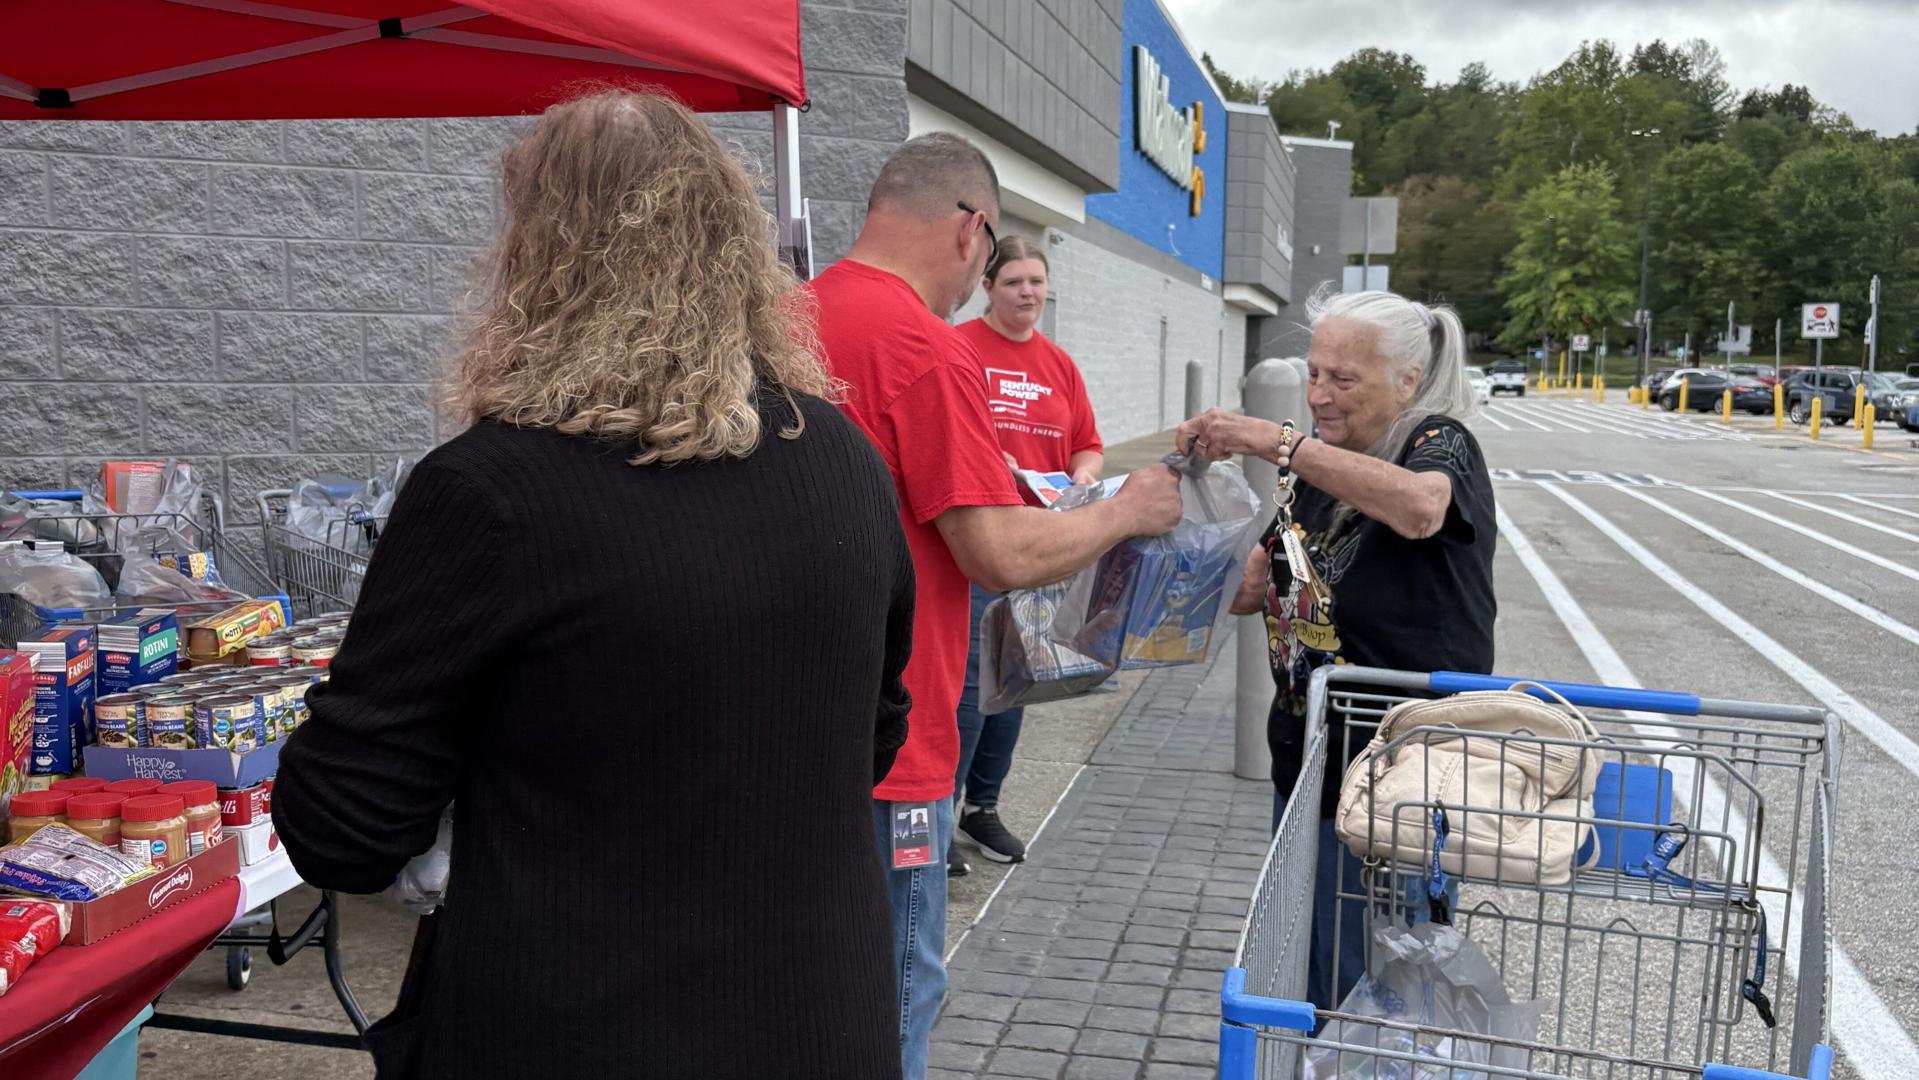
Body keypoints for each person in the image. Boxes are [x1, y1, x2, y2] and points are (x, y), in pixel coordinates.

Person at [274, 90, 915, 1080]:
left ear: (539, 254)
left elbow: (343, 828)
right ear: (730, 245)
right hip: (819, 1026)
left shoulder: (488, 492)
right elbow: (871, 732)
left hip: (572, 1030)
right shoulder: (842, 459)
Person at [810, 132, 1182, 1080]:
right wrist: (1128, 508)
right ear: (973, 230)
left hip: (786, 722)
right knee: (895, 990)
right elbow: (999, 553)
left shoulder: (787, 314)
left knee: (800, 982)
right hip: (893, 736)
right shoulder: (922, 349)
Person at [1179, 287, 1494, 1012]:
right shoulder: (1325, 470)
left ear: (1407, 381)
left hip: (1395, 780)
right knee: (1311, 959)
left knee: (1375, 982)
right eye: (1313, 373)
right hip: (1309, 759)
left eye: (1342, 379)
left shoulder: (1437, 442)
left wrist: (1273, 441)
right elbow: (1248, 589)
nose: (1318, 394)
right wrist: (1168, 517)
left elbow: (1420, 509)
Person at [948, 235, 1104, 875]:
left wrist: (1086, 476)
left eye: (1037, 281)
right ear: (987, 286)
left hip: (1041, 546)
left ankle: (981, 809)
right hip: (980, 542)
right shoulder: (959, 348)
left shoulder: (1059, 364)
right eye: (1014, 281)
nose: (1028, 293)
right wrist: (992, 460)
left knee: (1015, 685)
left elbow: (1088, 444)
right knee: (966, 688)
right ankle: (939, 814)